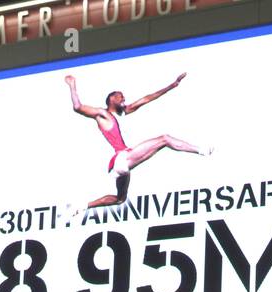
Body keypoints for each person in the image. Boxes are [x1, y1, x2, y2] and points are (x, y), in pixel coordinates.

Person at [64, 73, 212, 215]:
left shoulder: (125, 112)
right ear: (111, 99)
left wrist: (172, 85)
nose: (124, 98)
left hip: (120, 166)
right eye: (120, 96)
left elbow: (147, 98)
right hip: (122, 157)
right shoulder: (103, 114)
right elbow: (78, 107)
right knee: (164, 139)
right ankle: (201, 150)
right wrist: (72, 85)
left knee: (120, 199)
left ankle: (83, 206)